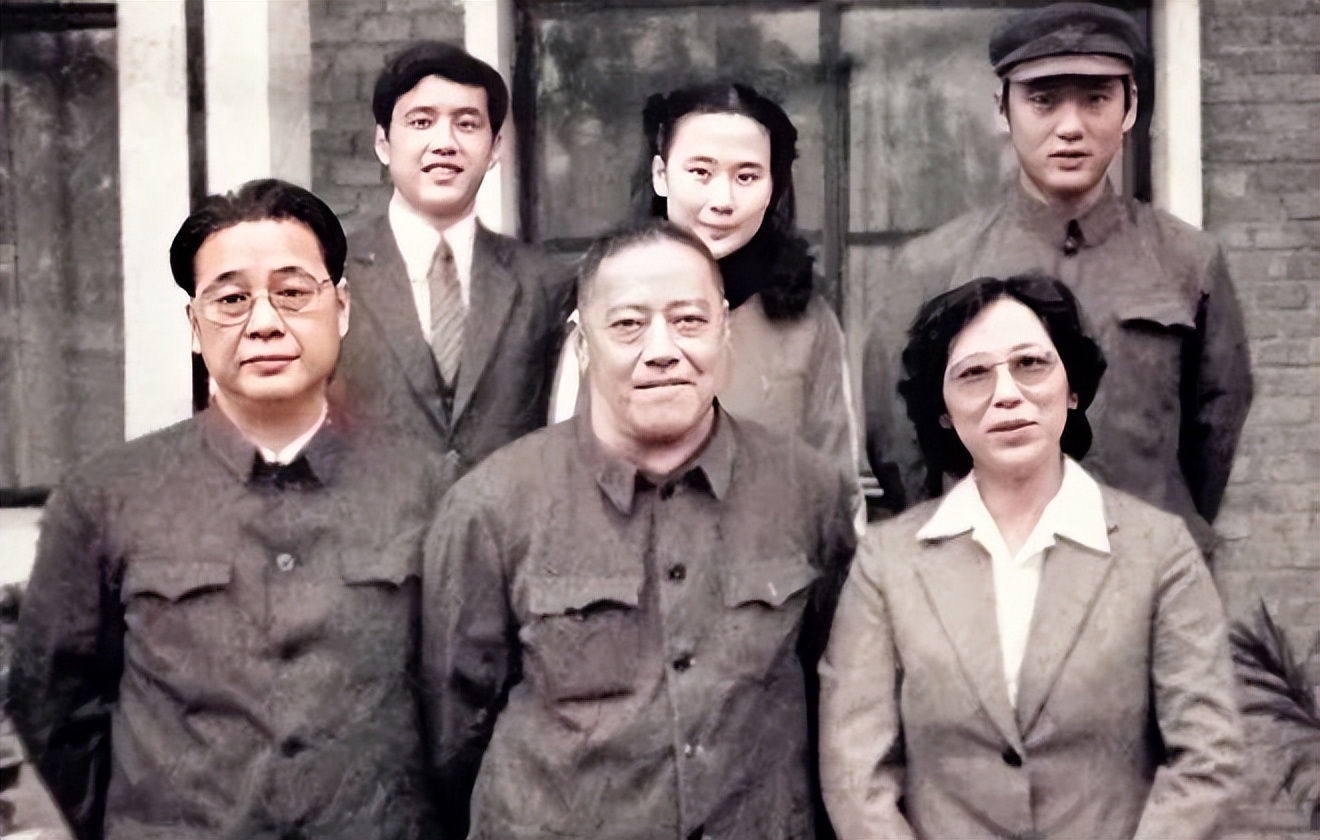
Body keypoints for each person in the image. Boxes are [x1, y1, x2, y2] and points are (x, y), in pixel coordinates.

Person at [7, 180, 451, 840]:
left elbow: (464, 700)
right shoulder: (106, 495)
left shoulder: (430, 487)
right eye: (232, 299)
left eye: (293, 292)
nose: (265, 323)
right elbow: (52, 706)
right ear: (194, 326)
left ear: (343, 308)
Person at [425, 222, 856, 839]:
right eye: (628, 324)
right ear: (581, 345)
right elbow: (453, 733)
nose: (662, 349)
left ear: (725, 335)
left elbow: (833, 702)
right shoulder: (493, 507)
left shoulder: (808, 494)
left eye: (689, 322)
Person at [822, 274, 1242, 839]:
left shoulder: (1159, 553)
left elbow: (1207, 760)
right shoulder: (888, 565)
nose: (1006, 394)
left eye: (1031, 364)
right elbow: (856, 773)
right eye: (973, 374)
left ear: (1072, 388)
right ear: (942, 410)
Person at [861, 2, 1252, 551]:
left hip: (1144, 575)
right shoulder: (934, 265)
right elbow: (900, 440)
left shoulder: (1189, 260)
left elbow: (1212, 439)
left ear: (1130, 106)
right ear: (1003, 109)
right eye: (1042, 101)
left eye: (1095, 99)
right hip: (986, 572)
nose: (1070, 127)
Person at [553, 82, 862, 515]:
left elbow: (839, 487)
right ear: (661, 175)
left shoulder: (807, 319)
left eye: (747, 176)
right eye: (701, 172)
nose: (723, 201)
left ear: (773, 186)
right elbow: (563, 474)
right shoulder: (600, 308)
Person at [336, 41, 573, 475]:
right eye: (421, 122)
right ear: (384, 144)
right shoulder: (331, 274)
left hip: (507, 536)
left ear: (496, 147)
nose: (444, 143)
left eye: (467, 124)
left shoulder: (545, 283)